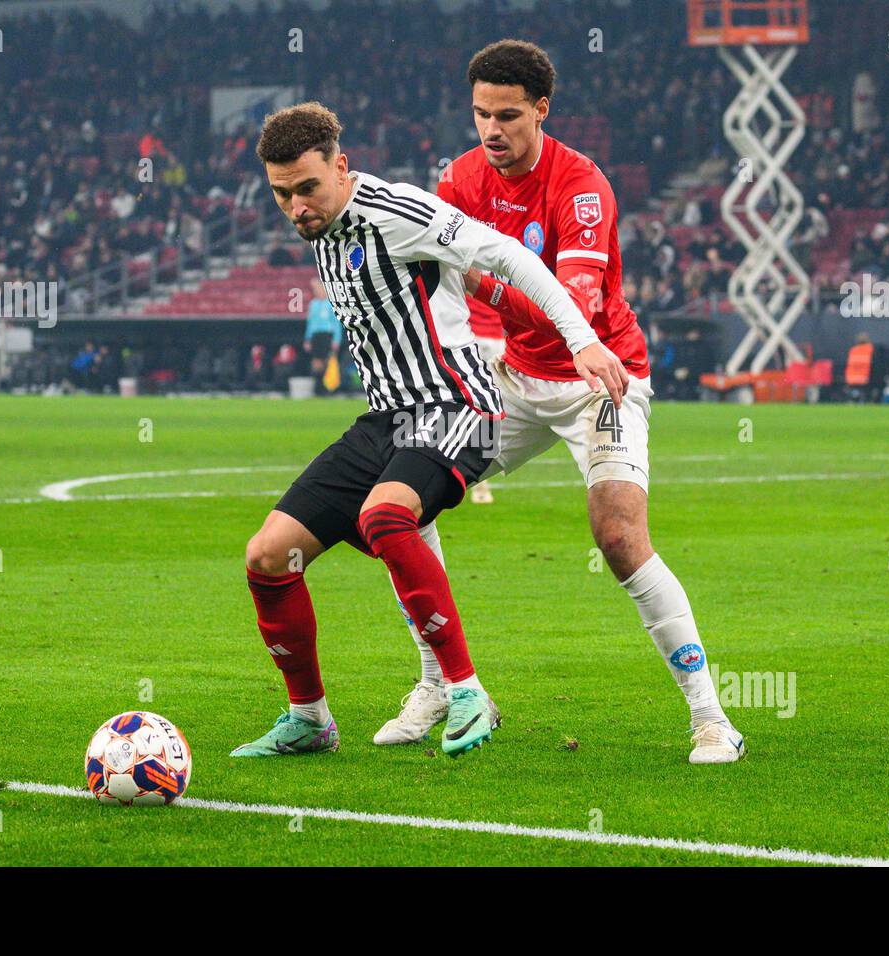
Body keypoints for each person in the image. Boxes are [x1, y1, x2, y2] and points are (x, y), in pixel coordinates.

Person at [375, 41, 745, 765]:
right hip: (515, 380)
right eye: (480, 113)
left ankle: (711, 718)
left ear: (542, 109)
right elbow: (438, 276)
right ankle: (439, 685)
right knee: (402, 499)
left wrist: (480, 284)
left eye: (508, 115)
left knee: (617, 535)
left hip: (599, 380)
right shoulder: (459, 178)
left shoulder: (581, 187)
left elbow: (564, 308)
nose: (491, 129)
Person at [234, 102, 627, 758]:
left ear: (341, 165)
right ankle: (309, 720)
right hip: (386, 419)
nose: (297, 206)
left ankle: (466, 691)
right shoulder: (323, 227)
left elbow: (506, 256)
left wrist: (581, 339)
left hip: (458, 406)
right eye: (282, 195)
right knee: (268, 558)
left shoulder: (397, 212)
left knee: (385, 518)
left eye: (308, 188)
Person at [303, 279, 341, 394]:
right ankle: (318, 387)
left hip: (327, 335)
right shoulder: (313, 304)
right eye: (315, 290)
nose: (316, 291)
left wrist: (336, 339)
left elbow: (336, 323)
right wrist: (307, 339)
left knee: (327, 361)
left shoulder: (330, 304)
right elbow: (310, 323)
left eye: (318, 289)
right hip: (316, 335)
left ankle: (328, 387)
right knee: (316, 362)